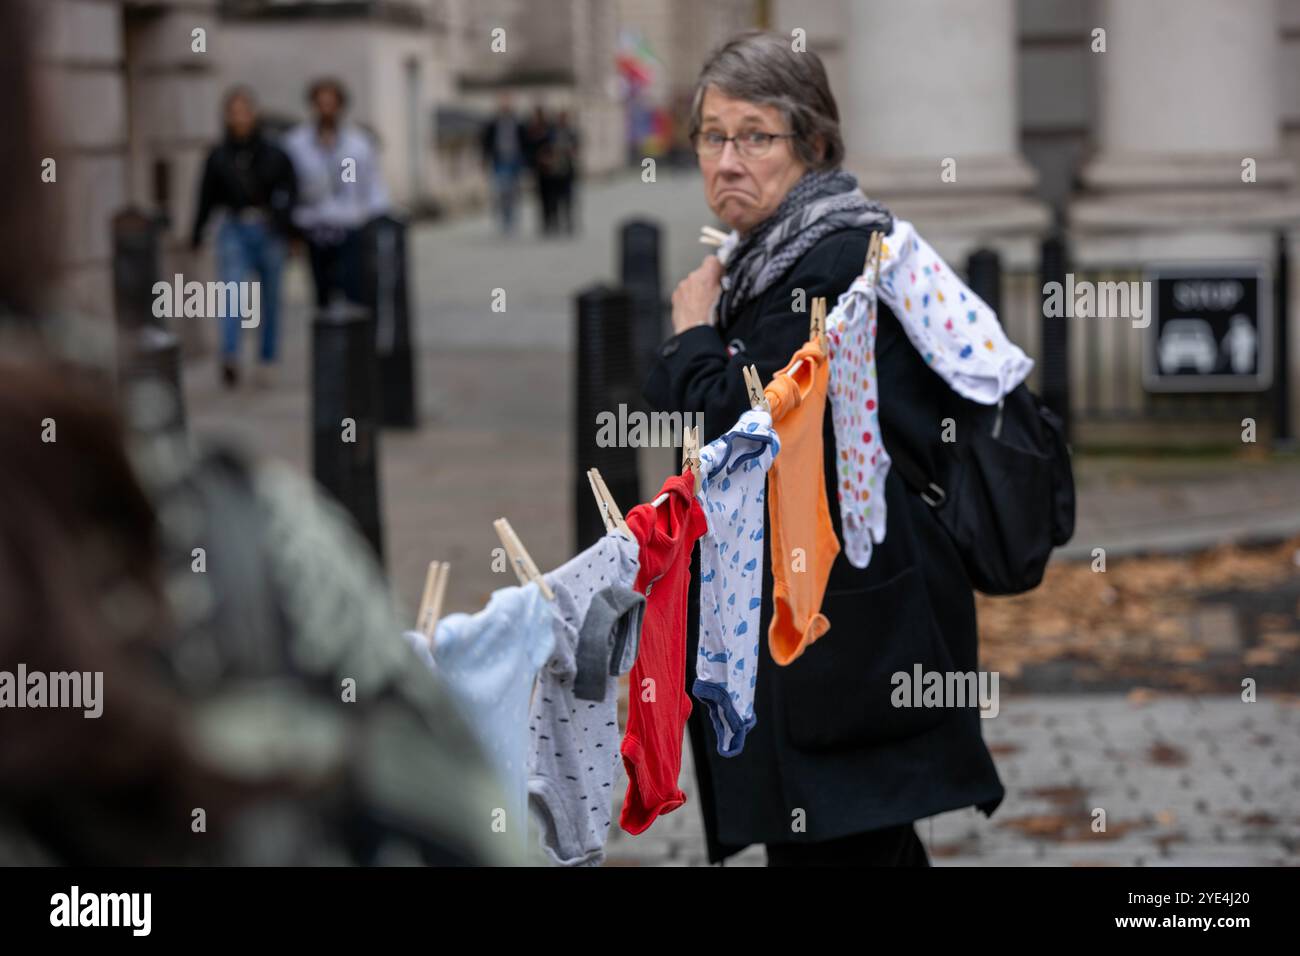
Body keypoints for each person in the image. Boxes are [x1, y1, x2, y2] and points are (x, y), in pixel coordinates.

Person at [0, 6, 517, 866]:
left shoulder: (225, 532)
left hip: (321, 239)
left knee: (276, 304)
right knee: (251, 297)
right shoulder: (234, 530)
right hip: (262, 241)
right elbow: (467, 827)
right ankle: (243, 346)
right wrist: (211, 227)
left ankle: (260, 345)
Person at [642, 30, 1005, 866]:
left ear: (812, 147)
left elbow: (747, 432)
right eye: (712, 135)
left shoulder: (831, 260)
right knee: (839, 840)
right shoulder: (768, 256)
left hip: (839, 618)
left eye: (755, 136)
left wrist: (693, 337)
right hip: (815, 615)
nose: (727, 160)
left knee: (844, 840)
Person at [191, 87, 298, 389]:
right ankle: (230, 355)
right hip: (234, 229)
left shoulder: (274, 153)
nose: (239, 118)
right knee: (233, 296)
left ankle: (267, 358)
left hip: (268, 229)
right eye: (233, 112)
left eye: (244, 111)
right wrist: (196, 233)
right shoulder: (219, 155)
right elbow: (206, 196)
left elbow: (290, 192)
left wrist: (288, 230)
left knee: (271, 300)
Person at [283, 77, 389, 308]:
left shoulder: (358, 144)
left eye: (331, 103)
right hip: (315, 227)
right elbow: (289, 188)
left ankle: (356, 341)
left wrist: (376, 220)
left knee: (354, 291)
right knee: (323, 295)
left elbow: (372, 186)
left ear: (341, 107)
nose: (326, 109)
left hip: (350, 226)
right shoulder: (296, 144)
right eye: (321, 103)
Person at [481, 95, 526, 235]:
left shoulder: (517, 124)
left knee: (513, 192)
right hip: (499, 161)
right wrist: (485, 158)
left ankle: (512, 217)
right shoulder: (493, 124)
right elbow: (486, 143)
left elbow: (524, 143)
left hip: (514, 161)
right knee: (502, 191)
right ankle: (504, 218)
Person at [522, 105, 557, 235]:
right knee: (541, 197)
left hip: (552, 169)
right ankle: (545, 222)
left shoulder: (550, 130)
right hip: (539, 169)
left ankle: (553, 220)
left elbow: (555, 146)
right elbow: (528, 148)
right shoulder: (532, 131)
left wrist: (549, 157)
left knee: (552, 196)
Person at [549, 110, 580, 235]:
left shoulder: (571, 132)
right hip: (555, 169)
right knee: (555, 197)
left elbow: (576, 148)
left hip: (567, 168)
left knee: (568, 197)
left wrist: (570, 151)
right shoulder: (553, 133)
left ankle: (569, 222)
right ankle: (555, 222)